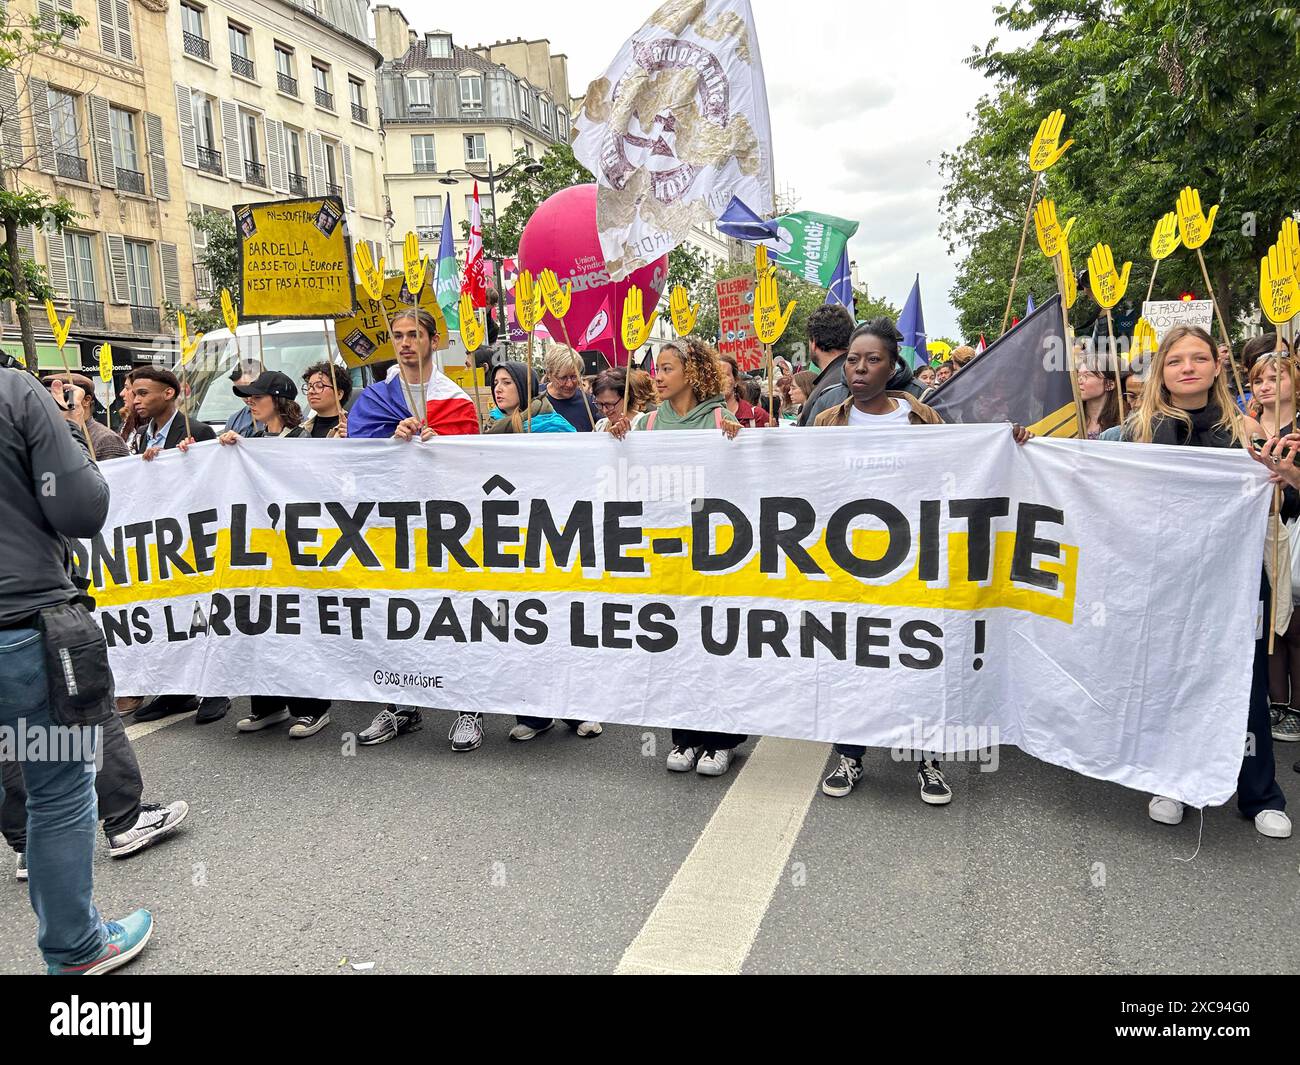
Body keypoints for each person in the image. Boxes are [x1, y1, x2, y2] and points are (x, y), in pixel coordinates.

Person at [813, 319, 1032, 806]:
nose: (860, 368)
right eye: (852, 359)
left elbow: (961, 472)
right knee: (854, 662)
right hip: (849, 567)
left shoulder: (921, 418)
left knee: (919, 663)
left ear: (892, 366)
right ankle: (850, 754)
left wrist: (1007, 443)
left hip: (915, 562)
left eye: (872, 360)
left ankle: (928, 760)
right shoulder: (829, 420)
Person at [0, 368, 152, 973]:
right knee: (58, 790)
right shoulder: (15, 392)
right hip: (22, 632)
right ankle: (75, 947)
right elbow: (82, 510)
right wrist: (70, 437)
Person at [1113, 325, 1289, 838]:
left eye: (1198, 359)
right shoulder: (1134, 432)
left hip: (1233, 583)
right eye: (1174, 361)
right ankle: (1174, 780)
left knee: (1247, 686)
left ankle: (1259, 796)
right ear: (1161, 372)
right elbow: (1081, 474)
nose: (1187, 368)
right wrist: (1026, 443)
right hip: (1163, 582)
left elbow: (1290, 505)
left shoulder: (1247, 431)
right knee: (1170, 679)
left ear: (1216, 366)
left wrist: (1284, 475)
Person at [609, 337, 746, 776]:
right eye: (656, 368)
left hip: (712, 556)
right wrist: (617, 440)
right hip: (667, 556)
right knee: (676, 649)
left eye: (667, 368)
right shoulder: (646, 425)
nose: (658, 376)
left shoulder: (720, 420)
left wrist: (740, 441)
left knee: (715, 647)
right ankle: (684, 738)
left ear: (692, 372)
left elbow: (745, 479)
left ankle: (721, 741)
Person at [216, 371, 332, 737]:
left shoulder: (305, 439)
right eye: (247, 397)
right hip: (260, 552)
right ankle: (268, 704)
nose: (249, 402)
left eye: (256, 396)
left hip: (297, 549)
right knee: (260, 623)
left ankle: (312, 707)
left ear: (278, 400)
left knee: (299, 627)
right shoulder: (248, 441)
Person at [127, 367, 229, 725]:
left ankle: (216, 690)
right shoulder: (141, 436)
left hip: (194, 539)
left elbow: (212, 482)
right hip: (160, 539)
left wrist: (187, 459)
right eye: (134, 394)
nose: (136, 401)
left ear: (168, 394)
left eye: (143, 393)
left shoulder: (195, 431)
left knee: (205, 612)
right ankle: (174, 691)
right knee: (169, 613)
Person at [1248, 353, 1300, 744]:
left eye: (1274, 378)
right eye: (1256, 380)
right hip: (1260, 528)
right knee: (1269, 622)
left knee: (1294, 624)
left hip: (1294, 526)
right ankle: (1276, 700)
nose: (1264, 386)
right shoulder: (1246, 424)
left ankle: (1296, 706)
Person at [346, 308, 481, 441]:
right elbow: (360, 453)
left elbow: (467, 455)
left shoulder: (457, 400)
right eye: (398, 336)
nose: (405, 343)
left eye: (414, 335)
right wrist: (393, 441)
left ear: (434, 341)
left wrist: (440, 444)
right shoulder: (373, 399)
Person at [42, 373, 129, 461]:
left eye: (63, 396)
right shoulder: (48, 436)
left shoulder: (107, 440)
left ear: (86, 400)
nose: (57, 401)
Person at [485, 361, 575, 434]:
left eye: (507, 382)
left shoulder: (555, 429)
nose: (497, 389)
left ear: (525, 387)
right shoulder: (492, 423)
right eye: (495, 383)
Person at [541, 346, 599, 431]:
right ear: (549, 374)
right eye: (563, 378)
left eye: (574, 376)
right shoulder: (534, 398)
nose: (570, 384)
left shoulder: (589, 403)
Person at [1078, 353, 1125, 439]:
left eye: (1087, 375)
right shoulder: (1071, 419)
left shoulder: (1124, 423)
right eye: (1078, 375)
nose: (1079, 381)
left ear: (1109, 384)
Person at [717, 352, 769, 428]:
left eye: (725, 375)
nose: (720, 380)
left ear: (736, 381)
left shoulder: (758, 416)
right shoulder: (702, 418)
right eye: (716, 376)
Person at [592, 366, 649, 432]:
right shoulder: (600, 426)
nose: (604, 410)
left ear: (626, 398)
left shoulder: (644, 424)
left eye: (609, 404)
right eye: (599, 404)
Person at [301, 361, 351, 438]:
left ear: (339, 394)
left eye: (319, 386)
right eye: (309, 387)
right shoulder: (302, 429)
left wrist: (353, 437)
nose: (311, 391)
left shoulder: (353, 427)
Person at [224, 359, 263, 437]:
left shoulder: (283, 417)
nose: (247, 397)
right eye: (240, 391)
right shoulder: (234, 420)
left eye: (249, 388)